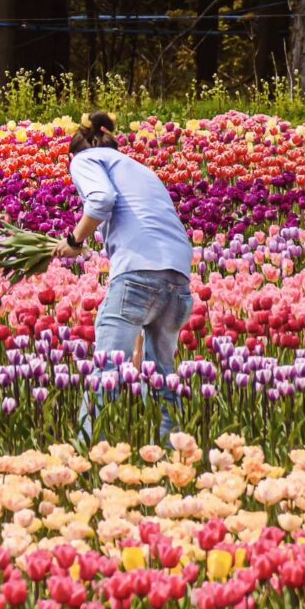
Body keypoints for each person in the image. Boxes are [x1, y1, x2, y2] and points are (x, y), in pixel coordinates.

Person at [54, 110, 193, 443]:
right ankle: (172, 456)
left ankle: (87, 452)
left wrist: (74, 241)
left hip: (137, 276)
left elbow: (101, 200)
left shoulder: (85, 160)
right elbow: (141, 222)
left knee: (107, 371)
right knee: (161, 375)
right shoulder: (137, 169)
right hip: (178, 275)